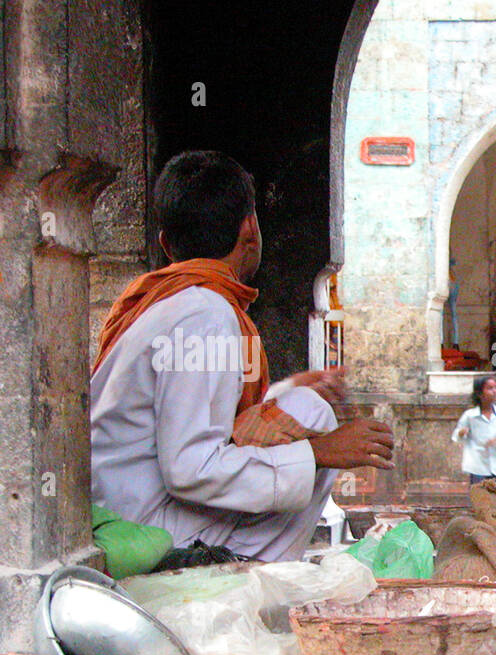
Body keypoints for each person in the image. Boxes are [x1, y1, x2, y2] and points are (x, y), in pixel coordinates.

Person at [90, 150, 395, 563]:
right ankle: (233, 591)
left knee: (303, 405)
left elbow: (204, 418)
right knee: (315, 421)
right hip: (145, 525)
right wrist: (321, 452)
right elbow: (189, 468)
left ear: (166, 243)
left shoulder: (170, 303)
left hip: (125, 507)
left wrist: (290, 389)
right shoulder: (204, 311)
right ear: (250, 229)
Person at [453, 374, 496, 486]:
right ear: (480, 393)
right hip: (477, 464)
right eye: (490, 388)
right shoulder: (470, 416)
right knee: (479, 497)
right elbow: (457, 436)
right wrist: (461, 433)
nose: (495, 391)